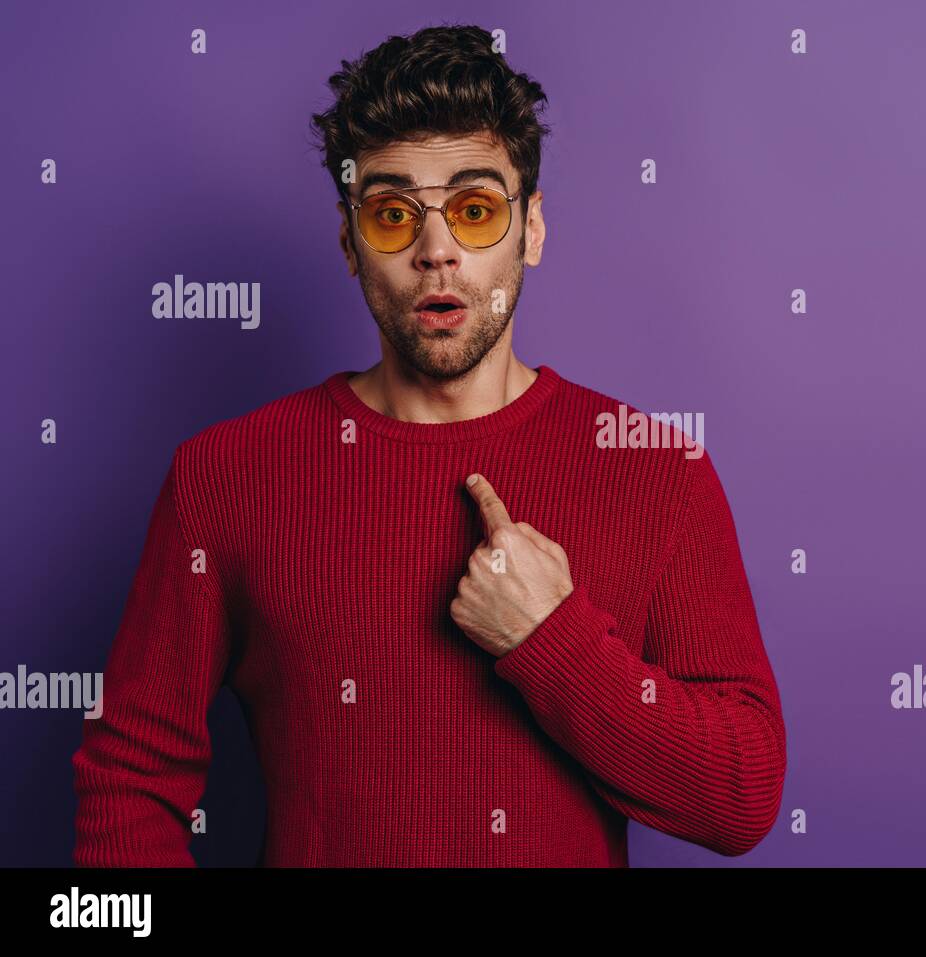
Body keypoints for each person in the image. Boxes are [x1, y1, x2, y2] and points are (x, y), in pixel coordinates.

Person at [71, 23, 785, 867]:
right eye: (393, 213)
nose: (437, 250)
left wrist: (552, 640)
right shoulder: (225, 475)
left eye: (476, 210)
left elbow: (740, 796)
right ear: (349, 242)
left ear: (534, 230)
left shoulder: (655, 468)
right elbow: (128, 780)